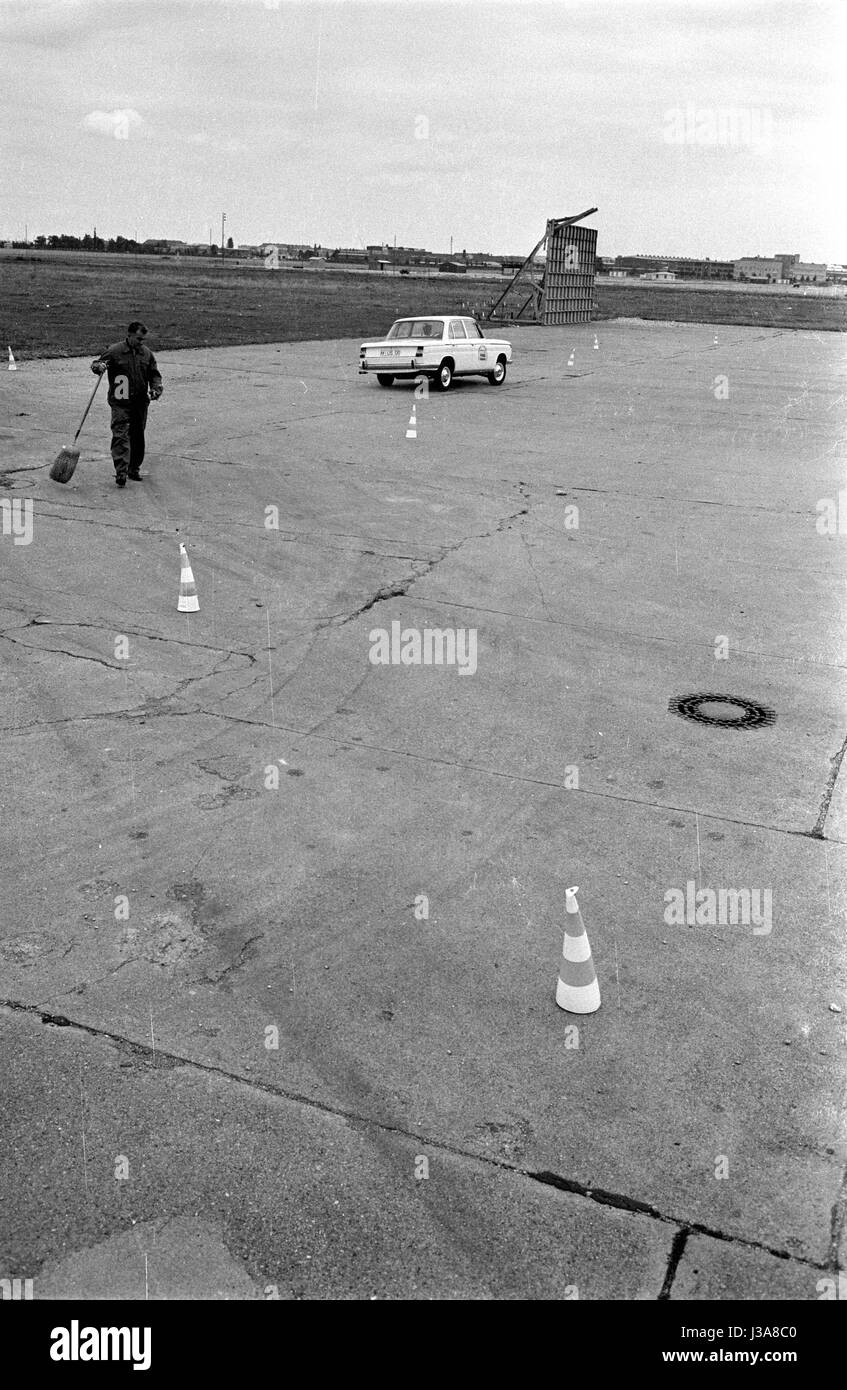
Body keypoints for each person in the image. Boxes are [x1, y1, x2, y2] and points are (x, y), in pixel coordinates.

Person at [91, 322, 163, 487]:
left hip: (139, 402)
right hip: (120, 402)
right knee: (121, 435)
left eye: (143, 339)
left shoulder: (147, 354)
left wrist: (156, 388)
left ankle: (134, 469)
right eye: (138, 339)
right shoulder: (115, 351)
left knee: (138, 436)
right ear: (129, 335)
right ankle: (121, 472)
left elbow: (154, 374)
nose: (141, 342)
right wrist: (99, 366)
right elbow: (96, 364)